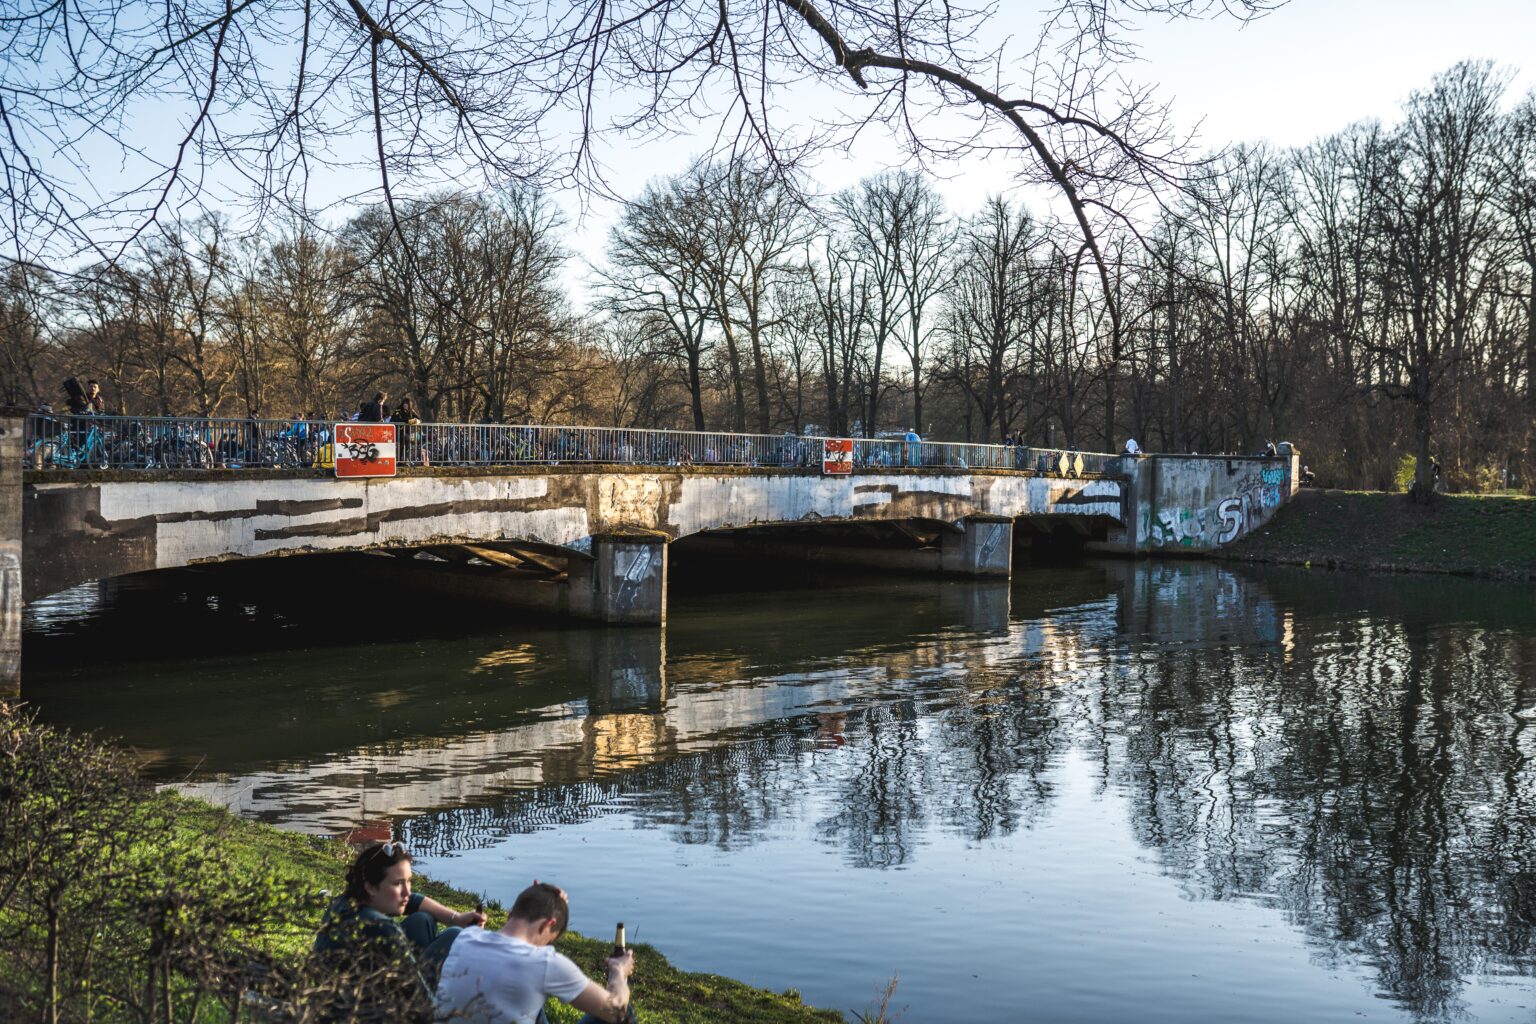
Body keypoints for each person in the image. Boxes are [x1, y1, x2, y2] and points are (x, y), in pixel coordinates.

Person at [434, 882, 634, 1024]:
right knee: (625, 1012)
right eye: (548, 941)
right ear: (549, 924)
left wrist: (541, 898)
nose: (544, 948)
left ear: (511, 913)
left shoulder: (465, 938)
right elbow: (616, 1011)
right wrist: (618, 971)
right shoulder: (545, 963)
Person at [314, 841, 487, 984]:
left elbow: (413, 901)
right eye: (398, 884)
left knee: (422, 920)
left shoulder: (346, 901)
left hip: (363, 987)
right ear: (371, 886)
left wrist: (456, 918)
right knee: (454, 936)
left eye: (409, 881)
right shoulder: (382, 927)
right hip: (371, 1010)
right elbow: (422, 997)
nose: (407, 892)